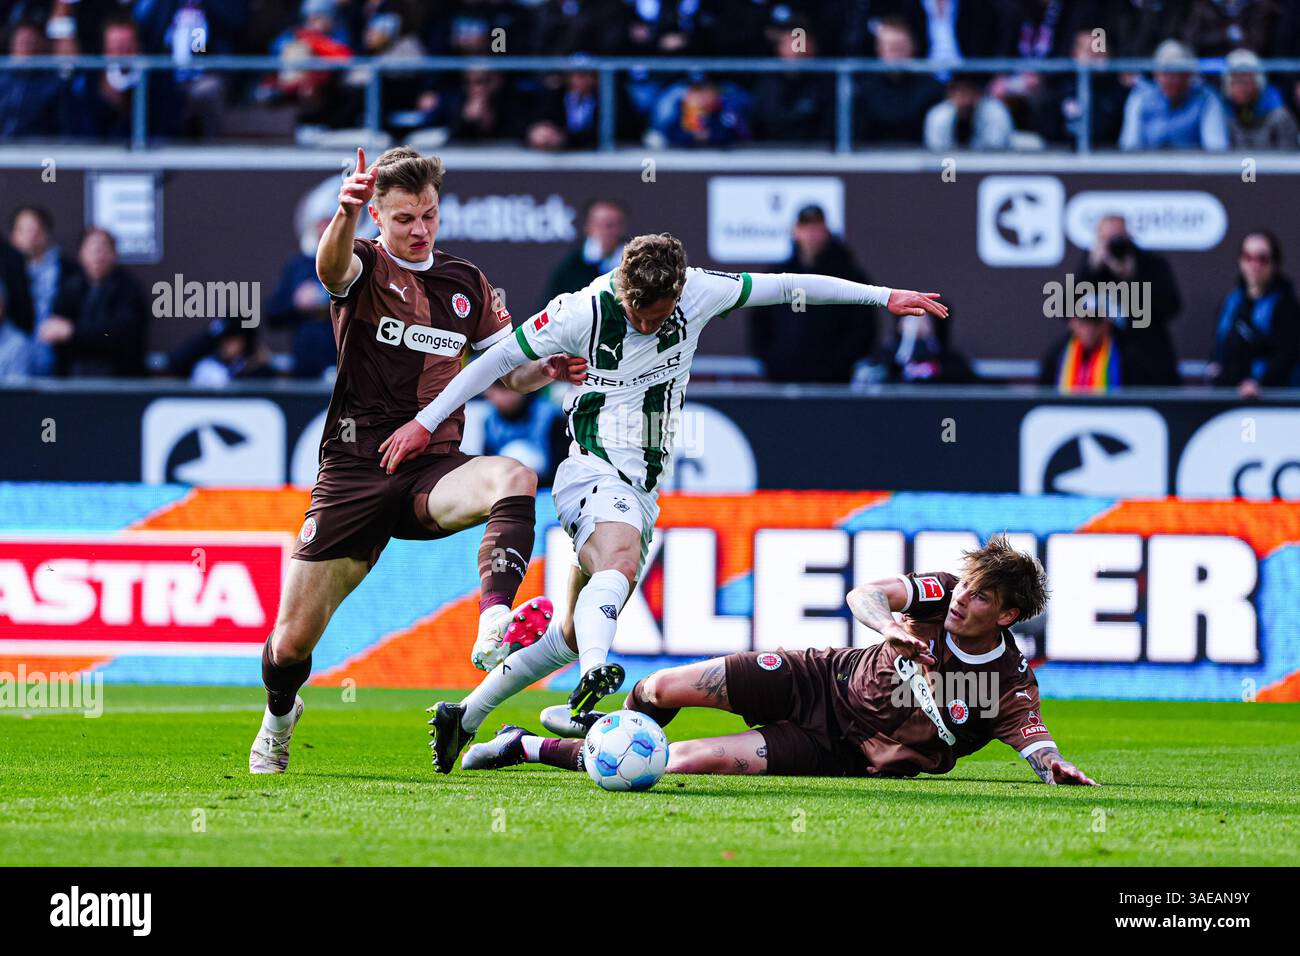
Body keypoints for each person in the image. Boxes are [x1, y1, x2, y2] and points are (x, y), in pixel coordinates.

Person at [383, 233, 948, 773]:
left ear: (678, 293)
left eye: (656, 314)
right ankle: (597, 673)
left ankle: (468, 715)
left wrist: (883, 297)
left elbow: (786, 285)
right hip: (592, 469)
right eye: (637, 313)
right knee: (619, 565)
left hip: (642, 487)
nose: (646, 323)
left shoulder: (700, 289)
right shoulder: (580, 310)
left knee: (574, 628)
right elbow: (490, 363)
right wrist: (423, 421)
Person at [248, 146, 587, 774]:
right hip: (353, 471)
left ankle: (493, 620)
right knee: (291, 643)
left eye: (428, 215)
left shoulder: (467, 284)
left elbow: (507, 377)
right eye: (404, 217)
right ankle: (278, 717)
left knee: (514, 475)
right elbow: (330, 270)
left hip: (432, 469)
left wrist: (547, 370)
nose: (419, 229)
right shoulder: (365, 265)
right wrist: (342, 214)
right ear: (377, 215)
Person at [463, 535, 1098, 787]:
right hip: (818, 676)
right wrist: (886, 627)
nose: (962, 599)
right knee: (660, 686)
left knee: (676, 761)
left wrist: (1052, 768)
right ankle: (596, 725)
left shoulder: (1009, 681)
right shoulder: (936, 594)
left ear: (1007, 616)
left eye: (981, 596)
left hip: (840, 753)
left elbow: (1033, 739)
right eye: (966, 585)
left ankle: (524, 748)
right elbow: (866, 594)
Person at [750, 204, 880, 383]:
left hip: (834, 384)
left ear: (826, 231)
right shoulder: (779, 275)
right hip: (783, 382)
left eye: (816, 228)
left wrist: (837, 366)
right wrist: (774, 363)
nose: (811, 234)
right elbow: (759, 323)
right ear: (795, 232)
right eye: (805, 228)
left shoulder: (848, 276)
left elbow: (863, 329)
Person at [1075, 213, 1182, 385]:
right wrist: (1090, 270)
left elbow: (1171, 307)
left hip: (1147, 364)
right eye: (1105, 239)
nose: (1112, 245)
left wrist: (1132, 279)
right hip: (1101, 366)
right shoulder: (1091, 269)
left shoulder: (1150, 264)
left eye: (1117, 238)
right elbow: (1065, 310)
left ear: (1129, 237)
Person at [41, 228, 148, 377]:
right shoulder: (70, 289)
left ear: (114, 254)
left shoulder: (129, 290)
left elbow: (121, 334)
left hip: (119, 378)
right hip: (73, 379)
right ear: (81, 254)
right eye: (92, 250)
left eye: (103, 250)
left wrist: (74, 333)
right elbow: (56, 332)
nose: (98, 256)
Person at [1208, 230, 1300, 398]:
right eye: (1248, 257)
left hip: (1271, 402)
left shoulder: (1285, 306)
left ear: (1274, 263)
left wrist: (1261, 384)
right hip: (1226, 399)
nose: (1254, 265)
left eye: (1262, 259)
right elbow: (1219, 345)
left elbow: (1286, 356)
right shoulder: (1231, 302)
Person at [1119, 39, 1230, 150]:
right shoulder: (1140, 98)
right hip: (1147, 165)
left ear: (1190, 75)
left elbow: (1216, 147)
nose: (1174, 80)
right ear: (1156, 74)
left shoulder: (1207, 99)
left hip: (1193, 165)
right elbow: (1129, 146)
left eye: (1179, 73)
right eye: (1167, 73)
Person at [9, 205, 79, 375]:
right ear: (13, 236)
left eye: (35, 229)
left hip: (62, 362)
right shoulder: (6, 272)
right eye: (22, 230)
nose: (30, 236)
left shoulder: (69, 271)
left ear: (46, 232)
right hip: (13, 363)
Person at [856, 17, 945, 145]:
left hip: (921, 158)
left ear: (913, 48)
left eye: (901, 48)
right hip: (873, 157)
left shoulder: (932, 88)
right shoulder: (863, 89)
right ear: (879, 50)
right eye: (892, 48)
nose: (897, 55)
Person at [1038, 312, 1154, 392]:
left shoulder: (1125, 355)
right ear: (1073, 323)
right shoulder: (1057, 356)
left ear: (1106, 324)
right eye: (1083, 322)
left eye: (1095, 322)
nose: (1089, 330)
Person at [543, 200, 627, 304]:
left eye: (612, 225)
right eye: (600, 224)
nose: (606, 232)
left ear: (622, 228)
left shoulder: (632, 267)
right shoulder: (569, 268)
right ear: (588, 227)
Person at [1221, 48, 1298, 150]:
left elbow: (1289, 161)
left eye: (1246, 80)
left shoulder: (1279, 117)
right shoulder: (1224, 114)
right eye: (1236, 80)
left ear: (1258, 82)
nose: (1240, 87)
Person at [923, 73, 1015, 151]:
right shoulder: (938, 115)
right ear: (950, 94)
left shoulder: (995, 112)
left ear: (978, 93)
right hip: (950, 167)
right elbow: (936, 151)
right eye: (959, 91)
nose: (964, 97)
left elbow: (995, 150)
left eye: (968, 90)